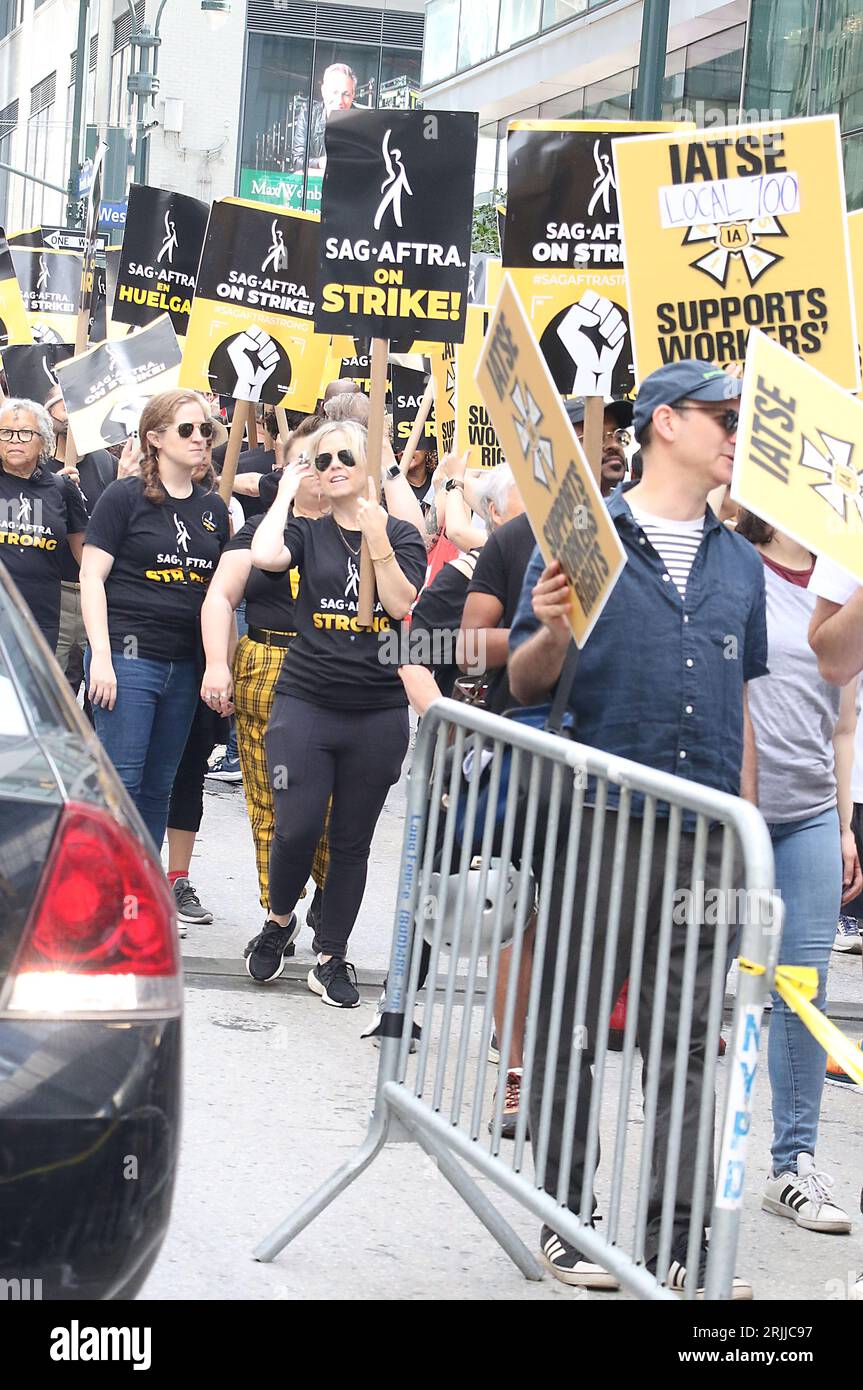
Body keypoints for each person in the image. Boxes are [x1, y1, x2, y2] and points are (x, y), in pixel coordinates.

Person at [507, 359, 767, 1296]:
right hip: (602, 819)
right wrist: (546, 631)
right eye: (720, 417)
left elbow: (736, 705)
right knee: (570, 1021)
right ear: (663, 423)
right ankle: (566, 1219)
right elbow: (525, 685)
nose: (735, 434)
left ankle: (673, 1241)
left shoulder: (739, 563)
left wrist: (748, 838)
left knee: (691, 1039)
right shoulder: (586, 534)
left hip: (706, 838)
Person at [250, 419, 426, 1007]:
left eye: (345, 455)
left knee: (352, 840)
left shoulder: (401, 533)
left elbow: (402, 604)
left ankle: (332, 955)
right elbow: (265, 553)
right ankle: (279, 920)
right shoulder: (311, 530)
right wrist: (283, 493)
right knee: (296, 824)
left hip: (376, 710)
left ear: (369, 462)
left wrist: (377, 536)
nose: (333, 466)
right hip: (306, 701)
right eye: (322, 460)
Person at [731, 508, 859, 1234]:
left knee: (804, 992)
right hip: (725, 815)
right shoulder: (736, 561)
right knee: (692, 984)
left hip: (807, 814)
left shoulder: (843, 580)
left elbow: (842, 722)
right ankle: (677, 1175)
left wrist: (841, 824)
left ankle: (793, 1165)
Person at [200, 415, 331, 966]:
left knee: (324, 806)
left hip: (330, 675)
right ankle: (277, 917)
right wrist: (216, 665)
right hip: (263, 668)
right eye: (304, 462)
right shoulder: (257, 531)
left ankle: (330, 903)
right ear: (284, 466)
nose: (315, 474)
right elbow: (220, 599)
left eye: (326, 462)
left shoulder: (361, 532)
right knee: (267, 801)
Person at [80, 390, 229, 853]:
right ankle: (102, 893)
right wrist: (101, 657)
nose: (200, 438)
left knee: (158, 786)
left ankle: (137, 894)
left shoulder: (213, 509)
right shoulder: (124, 495)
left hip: (184, 665)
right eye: (187, 429)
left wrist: (218, 665)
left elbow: (218, 597)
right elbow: (90, 575)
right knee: (121, 782)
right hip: (128, 659)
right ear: (155, 438)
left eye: (205, 429)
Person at [0, 397, 87, 650]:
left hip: (41, 620)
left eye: (26, 433)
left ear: (44, 442)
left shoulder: (63, 489)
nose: (15, 439)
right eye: (6, 432)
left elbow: (85, 556)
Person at [291, 62, 356, 173]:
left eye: (346, 94)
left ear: (353, 95)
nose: (339, 101)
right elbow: (298, 161)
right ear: (324, 91)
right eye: (334, 92)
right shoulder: (309, 115)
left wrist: (312, 170)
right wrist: (322, 163)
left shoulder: (361, 120)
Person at [564, 396, 633, 497]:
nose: (614, 445)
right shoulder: (543, 511)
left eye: (618, 435)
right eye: (596, 437)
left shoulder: (635, 509)